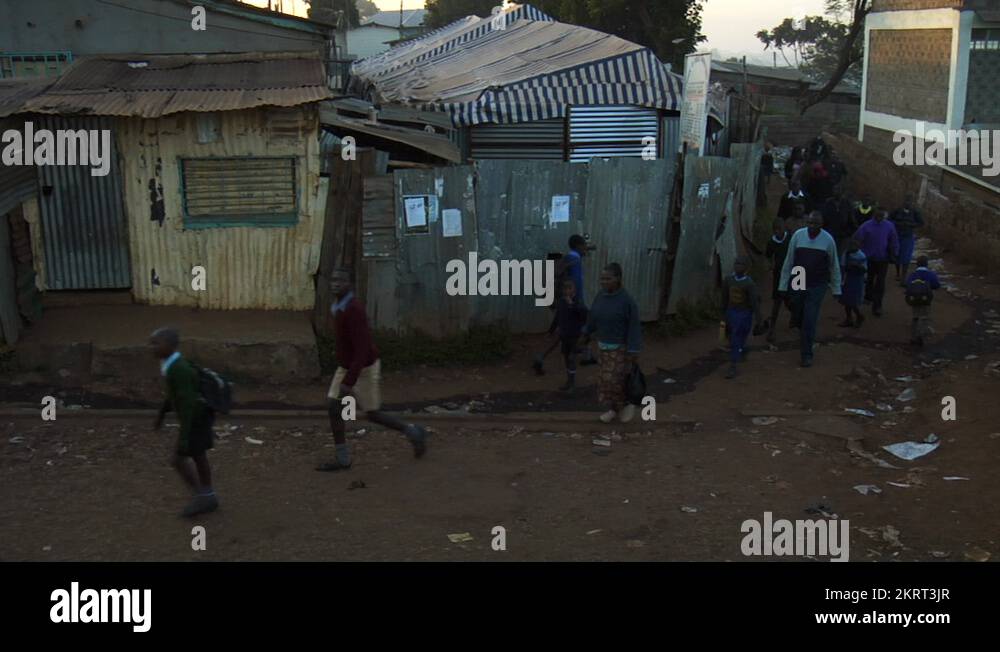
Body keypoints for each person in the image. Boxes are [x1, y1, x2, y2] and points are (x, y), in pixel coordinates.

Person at [317, 268, 428, 472]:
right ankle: (343, 459)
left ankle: (412, 431)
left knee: (373, 414)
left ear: (349, 284)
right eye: (333, 280)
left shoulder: (354, 309)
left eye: (340, 280)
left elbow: (362, 350)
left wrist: (348, 382)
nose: (335, 283)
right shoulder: (338, 305)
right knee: (333, 408)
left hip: (363, 368)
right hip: (347, 366)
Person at [150, 327, 219, 517]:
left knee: (179, 460)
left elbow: (187, 404)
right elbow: (175, 396)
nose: (152, 347)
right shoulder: (172, 365)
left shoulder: (178, 369)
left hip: (195, 419)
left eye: (157, 343)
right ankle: (206, 495)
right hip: (199, 417)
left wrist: (184, 437)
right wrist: (161, 415)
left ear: (170, 346)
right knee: (198, 455)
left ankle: (204, 497)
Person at [779, 211, 842, 368]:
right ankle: (803, 331)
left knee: (810, 318)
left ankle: (806, 354)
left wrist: (836, 288)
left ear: (822, 225)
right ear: (806, 222)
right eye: (810, 223)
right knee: (797, 311)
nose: (813, 226)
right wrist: (783, 284)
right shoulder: (798, 236)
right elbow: (789, 261)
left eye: (816, 223)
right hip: (799, 279)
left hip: (817, 284)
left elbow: (834, 265)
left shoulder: (828, 240)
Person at [581, 263, 642, 424]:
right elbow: (593, 316)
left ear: (618, 279)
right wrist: (586, 332)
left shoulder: (626, 301)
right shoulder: (600, 296)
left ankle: (626, 405)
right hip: (603, 347)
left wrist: (633, 350)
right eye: (602, 279)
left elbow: (634, 326)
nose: (604, 282)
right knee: (605, 382)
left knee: (614, 380)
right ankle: (614, 409)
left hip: (620, 349)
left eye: (608, 278)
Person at [853, 208, 899, 317]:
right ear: (874, 215)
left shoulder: (889, 226)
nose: (879, 218)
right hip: (868, 258)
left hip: (883, 258)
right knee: (869, 278)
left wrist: (894, 253)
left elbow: (894, 240)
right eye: (877, 216)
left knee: (880, 282)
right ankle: (868, 296)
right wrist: (856, 253)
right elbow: (857, 238)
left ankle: (877, 306)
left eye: (881, 216)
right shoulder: (866, 226)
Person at [721, 256, 761, 379]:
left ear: (746, 268)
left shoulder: (749, 284)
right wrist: (723, 314)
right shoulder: (728, 280)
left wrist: (759, 317)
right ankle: (734, 363)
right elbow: (724, 298)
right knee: (734, 337)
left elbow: (754, 302)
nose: (738, 266)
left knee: (740, 335)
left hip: (744, 314)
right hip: (732, 312)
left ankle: (738, 356)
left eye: (741, 264)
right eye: (736, 263)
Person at [547, 278, 588, 392]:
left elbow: (584, 315)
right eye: (565, 288)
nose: (567, 291)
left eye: (569, 288)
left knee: (571, 358)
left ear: (574, 289)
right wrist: (551, 330)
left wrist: (572, 305)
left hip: (575, 335)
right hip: (564, 335)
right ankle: (569, 381)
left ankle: (572, 383)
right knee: (566, 358)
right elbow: (558, 317)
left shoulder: (578, 302)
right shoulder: (561, 302)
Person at [765, 217, 792, 344]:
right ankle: (772, 328)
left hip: (794, 272)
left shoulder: (791, 238)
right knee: (777, 301)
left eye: (779, 229)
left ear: (784, 229)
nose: (777, 232)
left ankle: (798, 319)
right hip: (779, 274)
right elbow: (768, 256)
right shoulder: (772, 242)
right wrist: (771, 267)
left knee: (794, 299)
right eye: (774, 230)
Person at [904, 255, 941, 347]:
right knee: (925, 317)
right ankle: (921, 336)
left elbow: (907, 285)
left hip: (914, 299)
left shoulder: (912, 275)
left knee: (915, 317)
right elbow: (937, 285)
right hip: (926, 299)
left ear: (917, 264)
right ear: (926, 264)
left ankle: (913, 337)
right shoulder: (930, 274)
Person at [890, 195, 924, 284]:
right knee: (897, 256)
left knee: (906, 257)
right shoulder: (897, 211)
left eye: (909, 201)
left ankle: (903, 276)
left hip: (908, 237)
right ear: (903, 202)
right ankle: (897, 273)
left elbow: (921, 223)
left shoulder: (915, 212)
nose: (907, 203)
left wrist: (911, 225)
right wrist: (897, 224)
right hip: (897, 236)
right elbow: (889, 219)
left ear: (912, 203)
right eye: (906, 201)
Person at [839, 238, 867, 328]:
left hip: (857, 280)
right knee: (846, 301)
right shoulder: (846, 254)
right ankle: (849, 318)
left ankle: (859, 316)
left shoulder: (861, 256)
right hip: (848, 279)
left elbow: (864, 270)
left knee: (854, 301)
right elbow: (842, 266)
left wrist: (856, 266)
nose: (851, 247)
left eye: (854, 245)